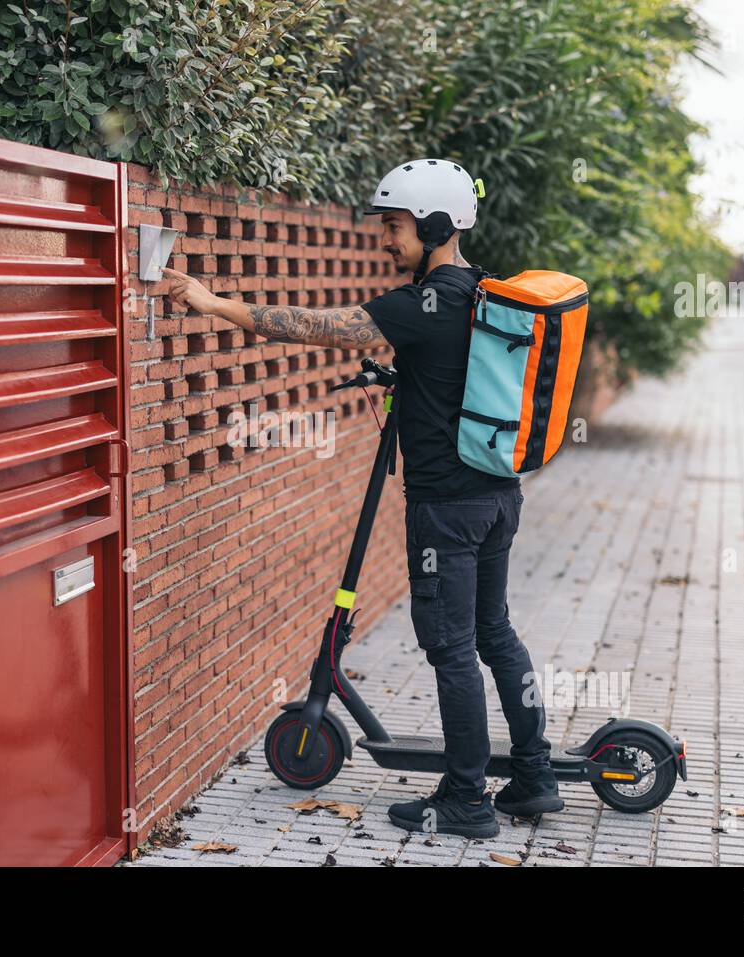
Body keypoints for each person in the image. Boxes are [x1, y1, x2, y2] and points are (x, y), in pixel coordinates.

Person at [165, 158, 562, 840]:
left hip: (446, 508)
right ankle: (534, 773)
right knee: (494, 633)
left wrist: (212, 303)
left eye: (395, 225)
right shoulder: (484, 297)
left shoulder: (421, 306)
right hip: (499, 496)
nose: (386, 237)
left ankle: (466, 798)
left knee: (454, 648)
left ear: (435, 223)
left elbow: (317, 327)